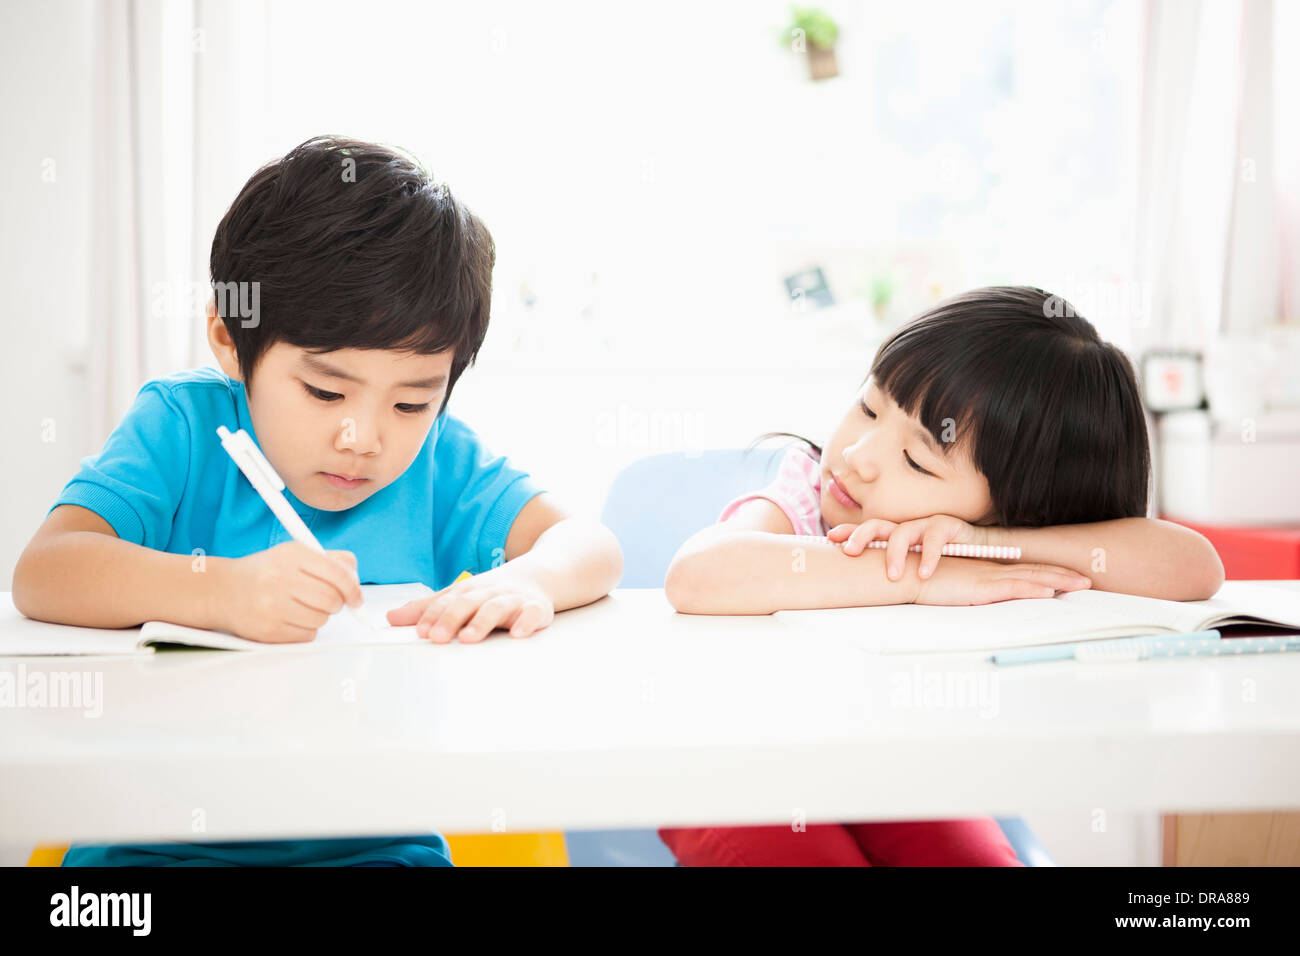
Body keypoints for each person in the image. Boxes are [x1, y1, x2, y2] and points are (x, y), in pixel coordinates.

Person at [13, 135, 623, 866]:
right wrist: (221, 592)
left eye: (410, 403)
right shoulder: (180, 430)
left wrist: (528, 579)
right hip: (156, 841)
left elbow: (591, 545)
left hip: (377, 844)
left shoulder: (438, 463)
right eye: (326, 391)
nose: (361, 437)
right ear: (229, 340)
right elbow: (47, 570)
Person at [661, 285, 1225, 866]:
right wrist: (916, 578)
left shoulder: (985, 546)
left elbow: (1195, 567)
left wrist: (987, 543)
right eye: (869, 406)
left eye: (916, 460)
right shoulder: (803, 496)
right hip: (729, 767)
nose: (859, 454)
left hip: (890, 767)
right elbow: (696, 575)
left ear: (1014, 507)